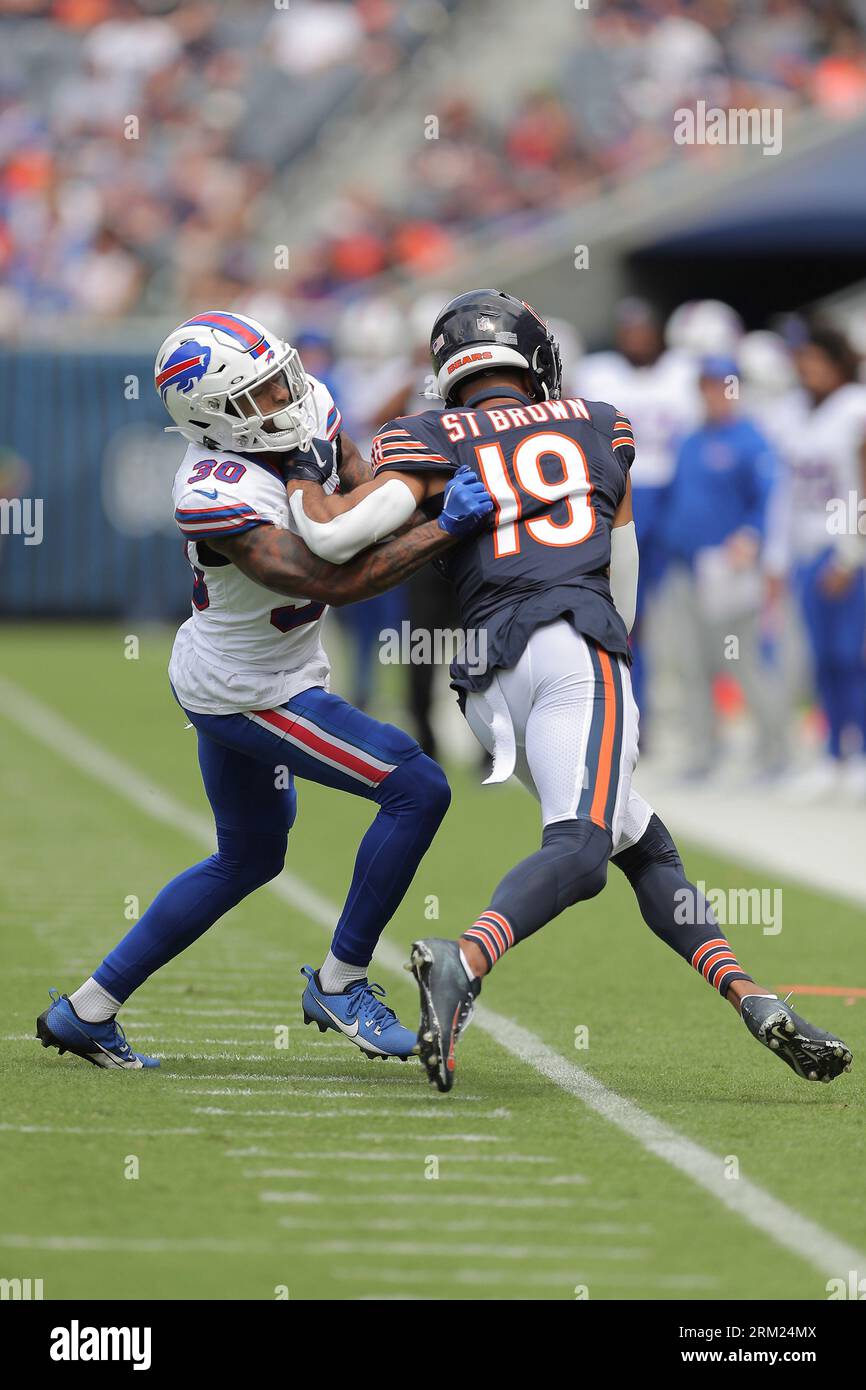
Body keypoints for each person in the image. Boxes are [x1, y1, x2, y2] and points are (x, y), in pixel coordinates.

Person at [285, 289, 853, 1094]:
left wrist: (305, 476)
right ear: (535, 360)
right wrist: (616, 671)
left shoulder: (425, 436)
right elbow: (622, 580)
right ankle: (463, 958)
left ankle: (754, 1000)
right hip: (574, 646)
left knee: (637, 840)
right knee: (582, 853)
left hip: (484, 682)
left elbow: (335, 537)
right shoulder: (597, 421)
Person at [35, 309, 493, 1070]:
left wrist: (408, 494)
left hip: (245, 668)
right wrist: (444, 527)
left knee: (248, 856)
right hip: (251, 689)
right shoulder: (214, 490)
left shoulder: (301, 404)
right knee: (418, 786)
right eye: (259, 395)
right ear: (211, 415)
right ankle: (342, 982)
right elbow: (327, 579)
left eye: (282, 378)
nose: (286, 399)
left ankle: (87, 1009)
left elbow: (356, 497)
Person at [662, 354, 786, 779]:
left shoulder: (750, 440)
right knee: (693, 664)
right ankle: (704, 752)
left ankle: (775, 751)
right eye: (707, 386)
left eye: (720, 385)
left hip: (729, 568)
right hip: (688, 566)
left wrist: (751, 538)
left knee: (742, 659)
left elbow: (769, 500)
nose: (713, 394)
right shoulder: (692, 439)